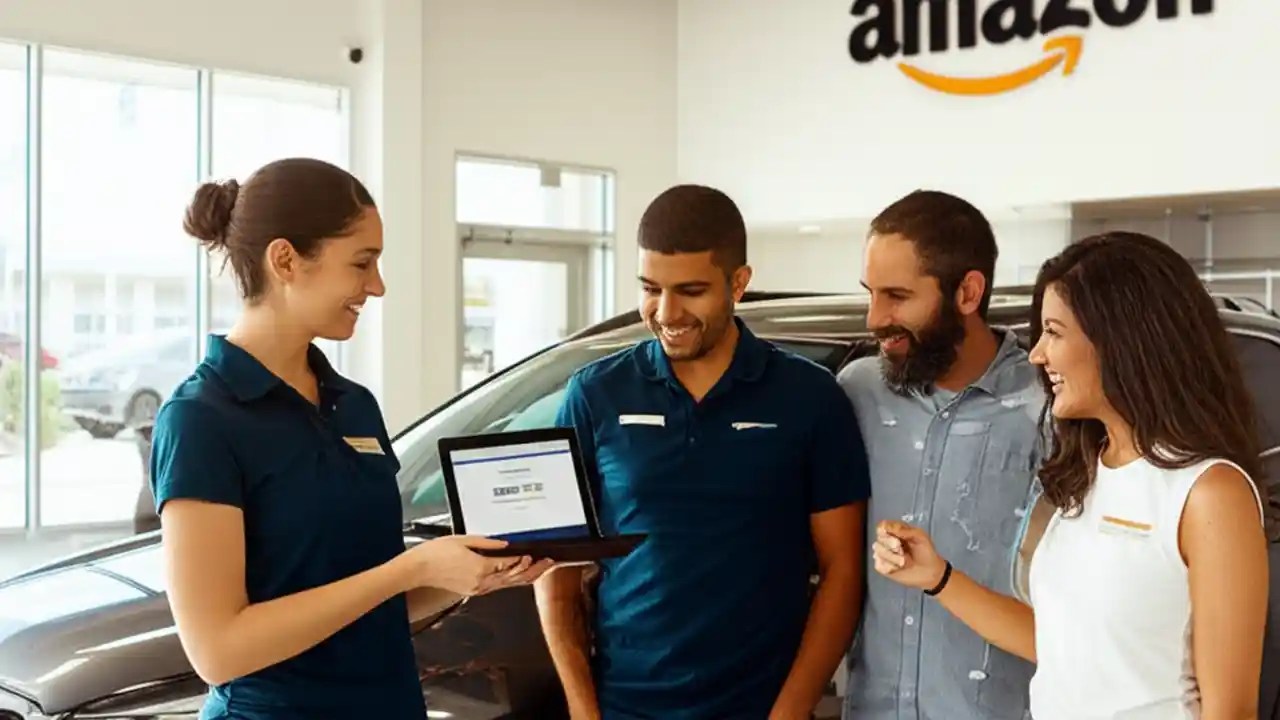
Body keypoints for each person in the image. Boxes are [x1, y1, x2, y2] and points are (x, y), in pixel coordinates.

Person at [151, 157, 552, 720]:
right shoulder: (200, 418)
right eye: (362, 263)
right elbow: (218, 651)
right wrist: (408, 569)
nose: (378, 286)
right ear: (286, 260)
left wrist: (465, 575)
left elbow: (372, 599)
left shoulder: (353, 404)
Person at [873, 231, 1269, 720]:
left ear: (1122, 339)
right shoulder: (1087, 473)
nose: (1037, 354)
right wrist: (938, 577)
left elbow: (1230, 711)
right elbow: (1060, 644)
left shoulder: (1209, 493)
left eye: (1054, 333)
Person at [534, 184, 870, 720]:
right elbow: (556, 567)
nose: (666, 312)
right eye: (650, 288)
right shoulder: (594, 394)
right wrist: (583, 711)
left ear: (739, 283)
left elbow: (842, 571)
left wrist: (788, 713)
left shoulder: (810, 399)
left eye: (690, 290)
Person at [836, 189, 1043, 719]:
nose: (874, 318)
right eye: (870, 293)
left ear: (968, 292)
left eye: (897, 296)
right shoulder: (856, 393)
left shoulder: (1050, 409)